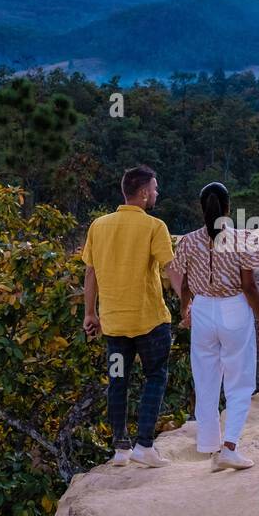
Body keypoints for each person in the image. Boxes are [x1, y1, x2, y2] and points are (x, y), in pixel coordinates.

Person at [82, 164, 178, 468]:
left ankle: (121, 449)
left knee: (118, 381)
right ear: (144, 193)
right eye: (155, 188)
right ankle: (145, 446)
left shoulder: (99, 226)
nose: (157, 193)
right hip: (149, 320)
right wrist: (189, 302)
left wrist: (90, 313)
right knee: (155, 375)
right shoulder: (154, 226)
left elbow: (90, 272)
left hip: (113, 324)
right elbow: (170, 268)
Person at [173, 181, 259, 470]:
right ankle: (229, 448)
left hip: (203, 309)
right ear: (227, 208)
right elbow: (249, 286)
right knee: (239, 382)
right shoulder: (243, 239)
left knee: (205, 381)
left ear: (201, 208)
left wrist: (185, 307)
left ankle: (211, 447)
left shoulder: (188, 241)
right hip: (234, 309)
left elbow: (185, 280)